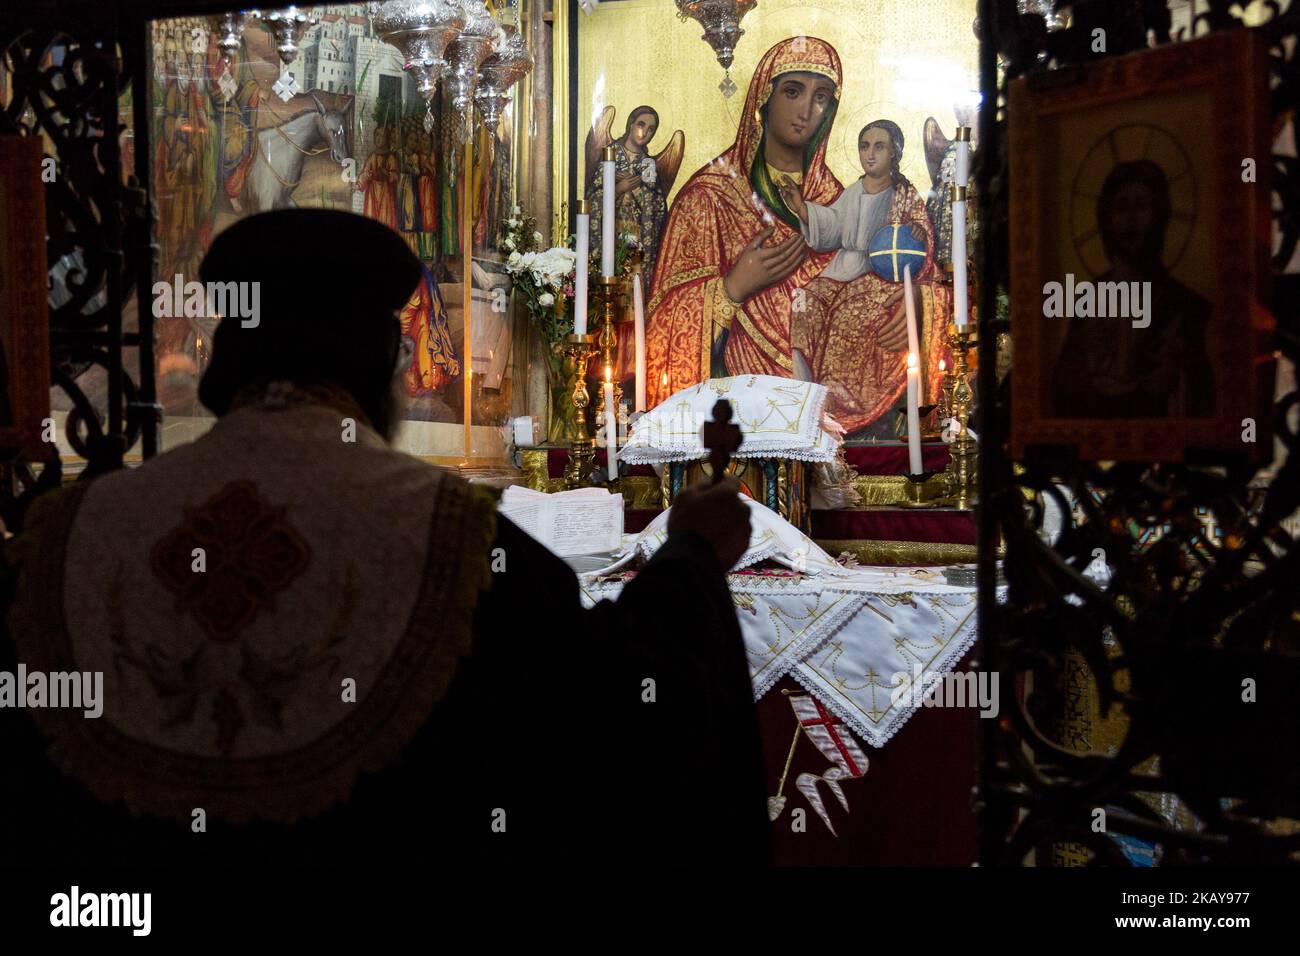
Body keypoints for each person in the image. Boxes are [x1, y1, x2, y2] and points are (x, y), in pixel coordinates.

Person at [0, 209, 770, 866]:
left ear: (224, 358)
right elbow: (610, 721)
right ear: (381, 364)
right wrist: (690, 558)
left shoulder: (68, 533)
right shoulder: (459, 545)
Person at [645, 37, 843, 401]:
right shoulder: (708, 197)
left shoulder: (838, 206)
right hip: (730, 419)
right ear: (762, 101)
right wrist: (732, 288)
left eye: (821, 97)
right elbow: (660, 331)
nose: (806, 110)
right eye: (793, 91)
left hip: (819, 408)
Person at [782, 119, 945, 436]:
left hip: (880, 275)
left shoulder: (904, 194)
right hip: (843, 268)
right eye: (864, 146)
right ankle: (804, 397)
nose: (869, 154)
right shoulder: (853, 191)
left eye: (878, 146)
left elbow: (921, 237)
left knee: (848, 320)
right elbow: (831, 227)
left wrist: (917, 231)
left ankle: (841, 406)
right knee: (804, 303)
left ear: (894, 153)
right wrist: (803, 209)